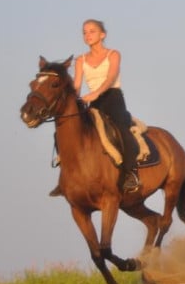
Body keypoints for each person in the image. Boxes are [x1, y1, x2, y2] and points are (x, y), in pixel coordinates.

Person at [49, 19, 141, 196]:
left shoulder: (113, 54)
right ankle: (65, 177)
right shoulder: (81, 60)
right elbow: (76, 86)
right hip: (93, 102)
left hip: (113, 98)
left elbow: (111, 77)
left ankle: (131, 173)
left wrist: (96, 93)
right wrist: (71, 101)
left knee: (122, 129)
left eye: (92, 31)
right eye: (84, 32)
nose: (87, 35)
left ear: (102, 35)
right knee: (63, 132)